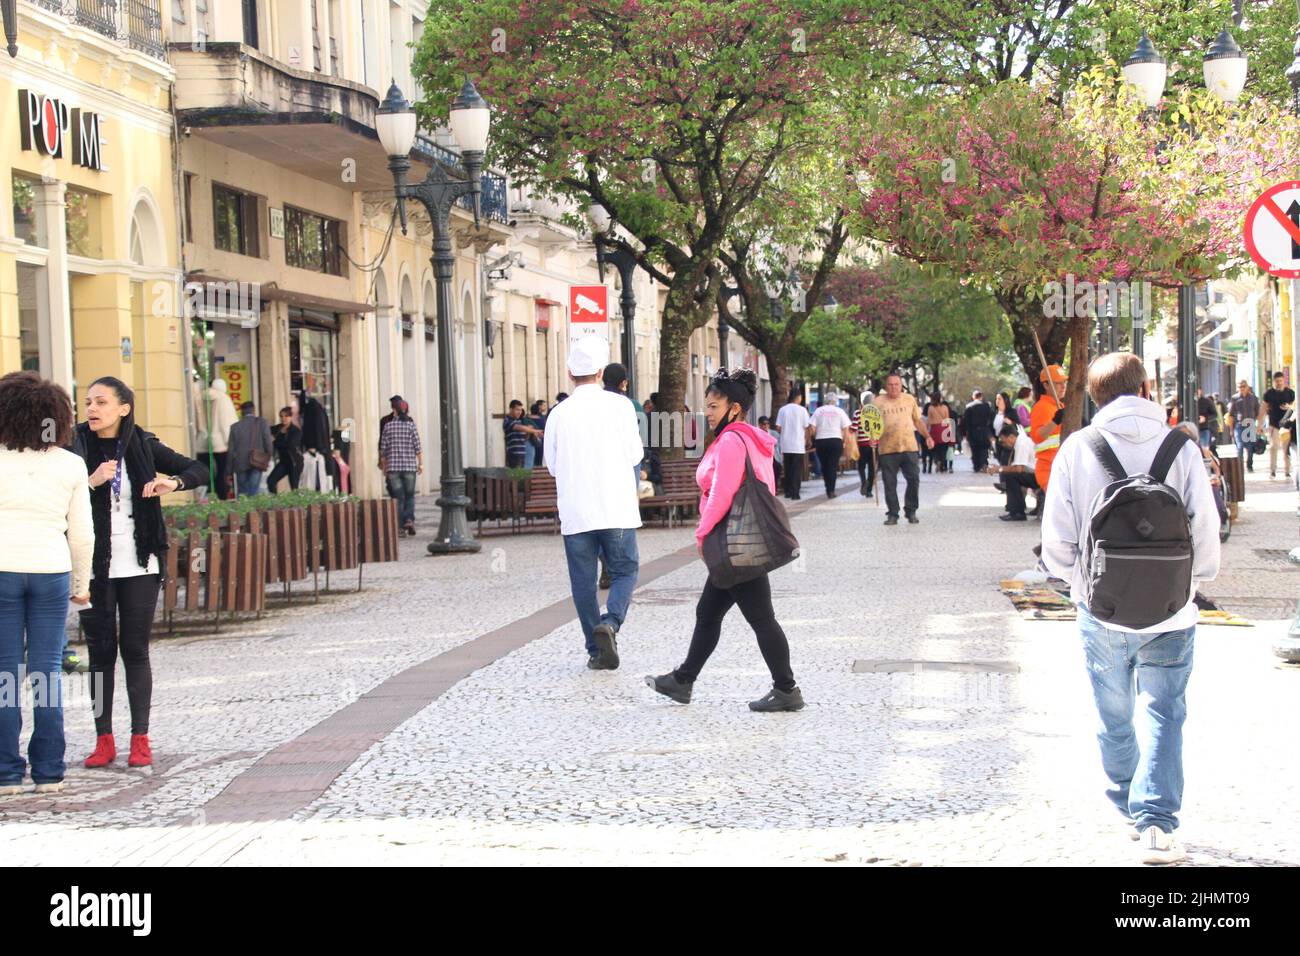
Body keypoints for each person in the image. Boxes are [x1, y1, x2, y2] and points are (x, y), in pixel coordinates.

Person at [1041, 353, 1219, 865]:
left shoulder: (1079, 447)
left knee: (1112, 711)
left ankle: (1127, 802)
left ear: (1096, 397)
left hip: (1101, 608)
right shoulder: (1180, 446)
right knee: (1165, 710)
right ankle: (1157, 824)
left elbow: (1056, 536)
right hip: (1173, 610)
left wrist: (1077, 582)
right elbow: (1203, 523)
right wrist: (1194, 582)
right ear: (1145, 388)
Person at [645, 367, 804, 712]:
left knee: (761, 618)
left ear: (734, 408)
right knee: (708, 612)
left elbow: (722, 492)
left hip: (734, 541)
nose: (709, 413)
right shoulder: (749, 437)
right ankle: (683, 680)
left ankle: (787, 689)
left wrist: (702, 533)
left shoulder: (732, 440)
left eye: (714, 406)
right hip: (738, 538)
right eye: (707, 406)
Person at [70, 377, 207, 771]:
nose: (92, 409)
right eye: (88, 402)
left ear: (123, 408)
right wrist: (88, 482)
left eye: (101, 402)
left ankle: (140, 739)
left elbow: (196, 468)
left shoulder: (144, 445)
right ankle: (103, 740)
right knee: (99, 653)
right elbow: (54, 491)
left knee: (135, 648)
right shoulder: (72, 450)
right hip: (93, 565)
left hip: (139, 561)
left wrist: (173, 482)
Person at [0, 373, 93, 796]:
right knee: (46, 672)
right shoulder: (71, 464)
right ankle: (49, 770)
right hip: (51, 571)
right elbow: (82, 535)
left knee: (4, 673)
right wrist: (82, 583)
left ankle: (5, 773)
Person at [544, 336, 644, 670]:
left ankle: (595, 648)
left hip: (576, 510)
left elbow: (552, 465)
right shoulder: (621, 406)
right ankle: (611, 622)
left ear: (570, 372)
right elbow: (635, 454)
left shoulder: (558, 413)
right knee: (625, 569)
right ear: (601, 372)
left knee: (583, 582)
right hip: (616, 507)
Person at [874, 374, 933, 525]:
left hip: (909, 446)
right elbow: (872, 425)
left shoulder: (909, 399)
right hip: (887, 448)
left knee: (913, 479)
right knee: (889, 483)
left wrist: (927, 437)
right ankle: (893, 513)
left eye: (896, 384)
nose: (893, 387)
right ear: (886, 386)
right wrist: (871, 438)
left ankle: (911, 510)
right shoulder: (878, 402)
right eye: (890, 384)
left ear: (901, 385)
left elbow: (917, 421)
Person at [379, 400, 423, 537]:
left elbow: (383, 450)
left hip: (393, 468)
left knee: (398, 498)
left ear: (394, 410)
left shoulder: (388, 426)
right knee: (410, 496)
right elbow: (418, 446)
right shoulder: (411, 426)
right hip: (409, 467)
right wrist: (420, 463)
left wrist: (384, 467)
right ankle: (409, 520)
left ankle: (399, 528)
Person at [195, 377, 239, 499]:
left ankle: (203, 497)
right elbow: (226, 423)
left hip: (201, 441)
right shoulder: (224, 399)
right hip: (220, 443)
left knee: (203, 472)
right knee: (221, 473)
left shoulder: (197, 397)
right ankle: (222, 498)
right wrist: (230, 442)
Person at [990, 422, 1039, 521]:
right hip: (1036, 473)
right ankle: (1016, 510)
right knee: (1011, 474)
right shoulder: (1021, 442)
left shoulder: (1021, 444)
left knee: (1011, 476)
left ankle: (1017, 512)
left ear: (1012, 437)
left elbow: (1018, 469)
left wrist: (999, 469)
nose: (1004, 445)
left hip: (1037, 475)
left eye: (1004, 441)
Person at [1030, 364, 1067, 495]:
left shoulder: (1060, 405)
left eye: (1064, 382)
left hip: (1061, 467)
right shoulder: (1041, 407)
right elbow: (1037, 437)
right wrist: (1055, 421)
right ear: (1046, 385)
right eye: (1058, 383)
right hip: (1048, 469)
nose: (1063, 386)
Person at [227, 401, 273, 498]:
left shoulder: (235, 427)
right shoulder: (262, 423)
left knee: (242, 492)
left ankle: (242, 512)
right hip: (257, 462)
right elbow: (268, 443)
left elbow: (231, 450)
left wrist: (229, 470)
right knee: (254, 491)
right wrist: (267, 458)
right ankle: (252, 512)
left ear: (241, 412)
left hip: (240, 463)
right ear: (253, 410)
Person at [810, 394, 852, 497]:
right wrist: (845, 441)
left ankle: (827, 487)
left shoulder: (818, 411)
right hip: (835, 440)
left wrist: (815, 437)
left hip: (821, 441)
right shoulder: (840, 411)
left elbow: (812, 428)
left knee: (824, 465)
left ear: (826, 400)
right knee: (833, 465)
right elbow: (846, 428)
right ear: (835, 401)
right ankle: (831, 490)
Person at [773, 390, 812, 500]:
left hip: (786, 444)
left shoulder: (783, 410)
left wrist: (786, 432)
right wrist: (808, 440)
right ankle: (795, 492)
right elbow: (806, 427)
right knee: (796, 469)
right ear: (798, 397)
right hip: (798, 444)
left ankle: (788, 491)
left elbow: (778, 427)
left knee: (788, 468)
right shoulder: (802, 410)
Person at [298, 390, 335, 489]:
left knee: (313, 480)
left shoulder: (311, 410)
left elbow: (316, 430)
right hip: (320, 449)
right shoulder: (319, 410)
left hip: (314, 450)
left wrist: (314, 445)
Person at [1262, 372, 1294, 479]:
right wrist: (1259, 424)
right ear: (1273, 382)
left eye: (1280, 381)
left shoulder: (1290, 393)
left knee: (1286, 449)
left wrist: (1289, 406)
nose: (1279, 383)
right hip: (1273, 424)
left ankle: (1287, 471)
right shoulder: (1269, 394)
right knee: (1273, 447)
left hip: (1286, 425)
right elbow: (1264, 407)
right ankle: (1272, 470)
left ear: (1283, 380)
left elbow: (1294, 406)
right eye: (1277, 381)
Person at [1227, 380, 1262, 473]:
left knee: (1250, 448)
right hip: (1239, 425)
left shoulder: (1254, 398)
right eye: (1240, 387)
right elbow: (1230, 415)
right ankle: (1239, 467)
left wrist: (1259, 426)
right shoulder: (1234, 398)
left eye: (1243, 386)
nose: (1241, 389)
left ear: (1247, 387)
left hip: (1250, 425)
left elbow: (1258, 413)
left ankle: (1249, 465)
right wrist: (1231, 429)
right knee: (1240, 446)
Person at [268, 407, 303, 493]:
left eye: (286, 416)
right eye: (281, 416)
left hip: (294, 462)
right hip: (283, 461)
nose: (283, 418)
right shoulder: (277, 429)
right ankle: (275, 503)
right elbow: (266, 431)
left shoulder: (295, 431)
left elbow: (290, 444)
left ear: (291, 417)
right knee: (271, 481)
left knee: (294, 487)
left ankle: (297, 505)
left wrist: (275, 441)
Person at [961, 389, 995, 473]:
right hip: (984, 431)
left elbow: (965, 422)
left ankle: (976, 466)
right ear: (981, 397)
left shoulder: (969, 407)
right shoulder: (987, 406)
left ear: (973, 397)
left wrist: (964, 433)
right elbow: (991, 419)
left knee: (974, 449)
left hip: (973, 431)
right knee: (984, 448)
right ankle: (984, 464)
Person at [502, 400, 540, 469]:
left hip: (522, 454)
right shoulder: (507, 420)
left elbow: (523, 437)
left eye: (520, 410)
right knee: (516, 477)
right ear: (511, 409)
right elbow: (519, 427)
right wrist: (534, 430)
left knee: (522, 477)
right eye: (517, 410)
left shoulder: (518, 421)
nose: (519, 412)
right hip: (514, 454)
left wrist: (529, 432)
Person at [850, 404, 876, 497]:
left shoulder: (858, 413)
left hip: (862, 444)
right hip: (874, 445)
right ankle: (869, 491)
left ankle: (864, 482)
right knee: (872, 468)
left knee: (861, 466)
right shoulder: (876, 412)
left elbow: (853, 428)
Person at [927, 392, 954, 474]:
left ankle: (937, 461)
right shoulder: (945, 407)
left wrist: (927, 432)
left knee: (935, 448)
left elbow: (929, 421)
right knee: (944, 448)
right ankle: (942, 462)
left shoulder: (930, 408)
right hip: (944, 428)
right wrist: (950, 431)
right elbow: (947, 419)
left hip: (934, 428)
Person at [759, 415, 783, 490]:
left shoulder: (774, 433)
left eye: (767, 423)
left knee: (776, 467)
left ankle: (775, 487)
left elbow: (779, 446)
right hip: (763, 457)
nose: (766, 425)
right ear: (760, 425)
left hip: (774, 456)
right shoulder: (758, 433)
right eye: (764, 424)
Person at [377, 395, 404, 460]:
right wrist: (380, 458)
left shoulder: (408, 420)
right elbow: (381, 440)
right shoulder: (385, 420)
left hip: (402, 456)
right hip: (391, 456)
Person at [992, 392, 1014, 467]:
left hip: (1008, 441)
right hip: (997, 441)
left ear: (1005, 400)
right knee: (1000, 459)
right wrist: (990, 437)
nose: (997, 400)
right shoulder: (993, 413)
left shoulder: (1012, 412)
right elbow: (989, 427)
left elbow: (1018, 425)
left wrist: (1010, 422)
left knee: (1006, 461)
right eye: (996, 399)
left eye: (999, 399)